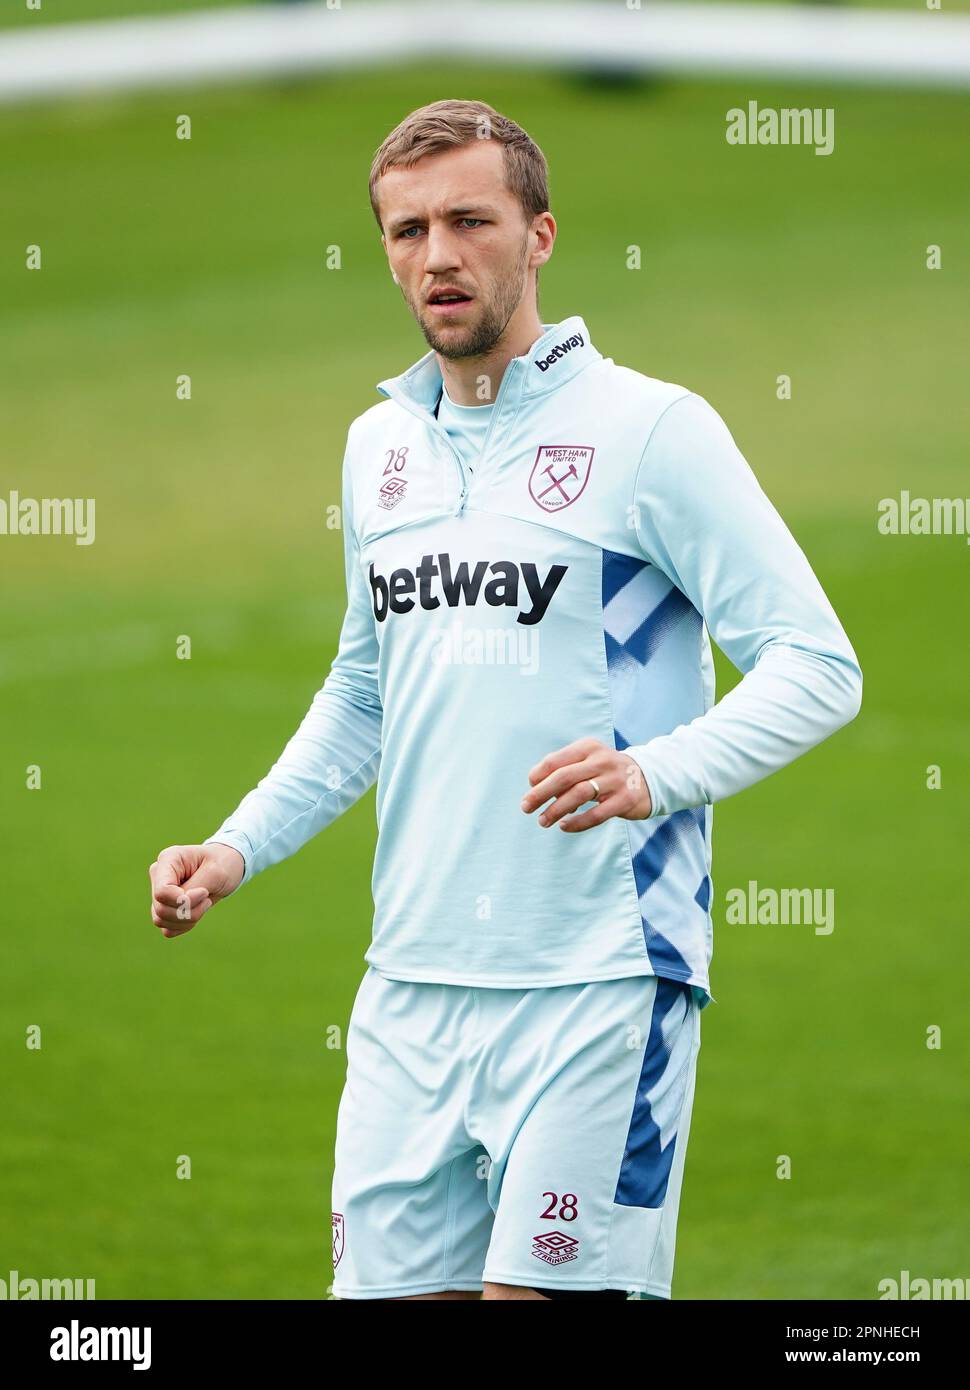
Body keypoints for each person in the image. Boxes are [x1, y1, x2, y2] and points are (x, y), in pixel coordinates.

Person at [149, 99, 862, 1301]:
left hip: (597, 978)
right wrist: (235, 847)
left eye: (470, 221)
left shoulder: (650, 432)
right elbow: (365, 688)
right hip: (409, 992)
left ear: (537, 236)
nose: (437, 256)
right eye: (406, 229)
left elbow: (815, 663)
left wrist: (656, 773)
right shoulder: (376, 448)